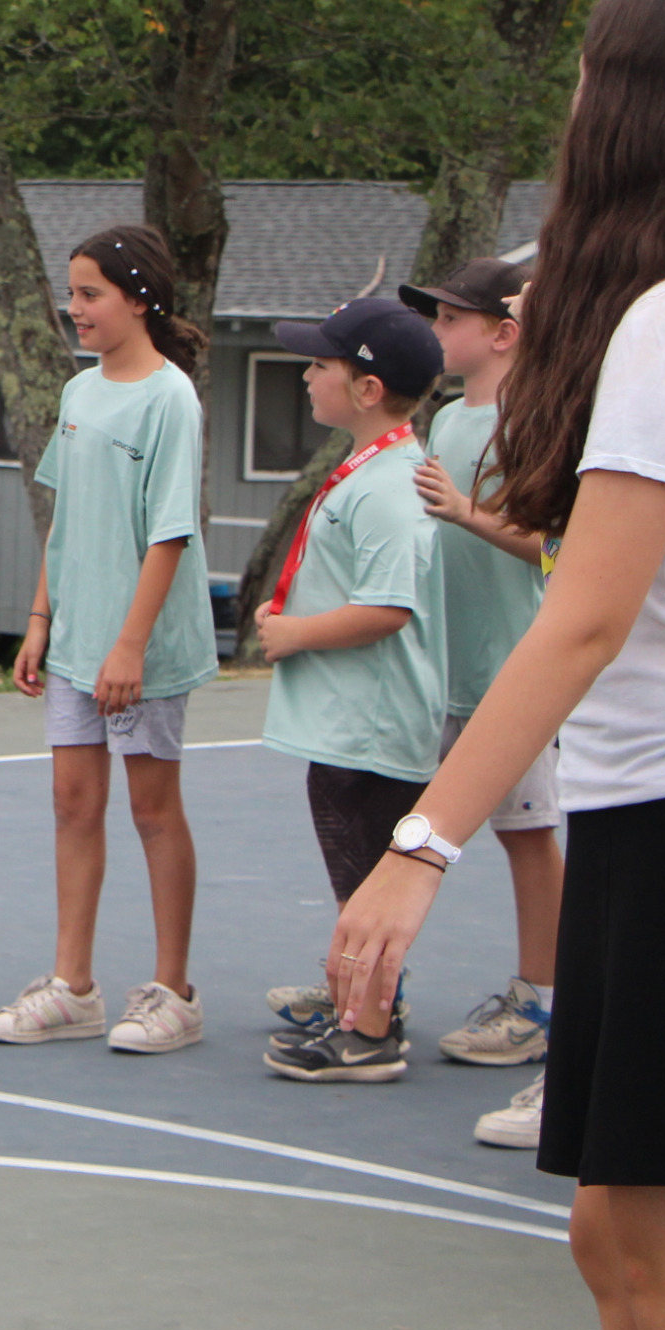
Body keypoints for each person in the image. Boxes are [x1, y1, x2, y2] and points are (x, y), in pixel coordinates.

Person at [331, 0, 665, 1330]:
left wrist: (421, 845)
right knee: (614, 1237)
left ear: (629, 108)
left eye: (589, 78)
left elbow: (585, 613)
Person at [0, 225, 218, 1054]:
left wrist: (130, 645)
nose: (76, 308)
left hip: (143, 649)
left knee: (153, 809)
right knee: (72, 803)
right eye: (73, 292)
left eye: (91, 293)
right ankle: (73, 987)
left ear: (140, 299)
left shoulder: (170, 398)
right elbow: (64, 518)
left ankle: (175, 992)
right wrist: (41, 619)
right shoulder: (79, 392)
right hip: (75, 639)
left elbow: (170, 532)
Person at [253, 296, 446, 1082]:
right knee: (357, 874)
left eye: (320, 364)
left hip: (370, 723)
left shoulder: (390, 485)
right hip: (348, 719)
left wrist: (296, 632)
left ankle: (369, 1029)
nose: (306, 375)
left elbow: (388, 607)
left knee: (366, 876)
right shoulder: (372, 467)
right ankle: (359, 993)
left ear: (367, 388)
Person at [400, 258, 564, 1080]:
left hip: (513, 673)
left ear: (502, 333)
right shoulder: (443, 422)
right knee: (409, 826)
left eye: (450, 318)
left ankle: (542, 1000)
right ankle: (371, 987)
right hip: (446, 672)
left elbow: (558, 548)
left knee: (527, 836)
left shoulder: (530, 420)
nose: (436, 331)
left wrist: (469, 513)